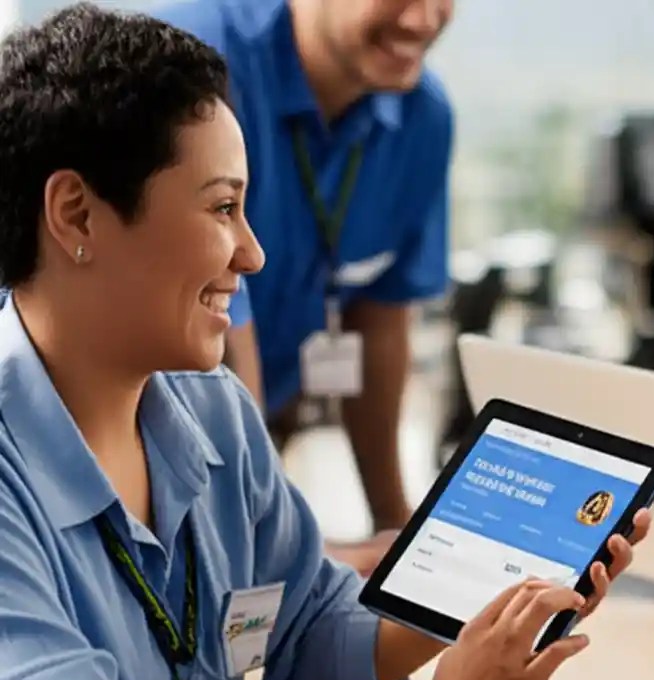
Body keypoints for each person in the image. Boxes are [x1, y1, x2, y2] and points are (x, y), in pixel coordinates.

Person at [0, 6, 645, 680]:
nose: (253, 254)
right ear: (77, 215)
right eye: (222, 209)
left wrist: (497, 596)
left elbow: (309, 624)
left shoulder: (213, 414)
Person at [147, 0, 456, 563]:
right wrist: (287, 550)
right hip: (148, 443)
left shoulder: (422, 119)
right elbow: (215, 335)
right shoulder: (197, 63)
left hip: (254, 446)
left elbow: (379, 319)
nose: (422, 19)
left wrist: (397, 532)